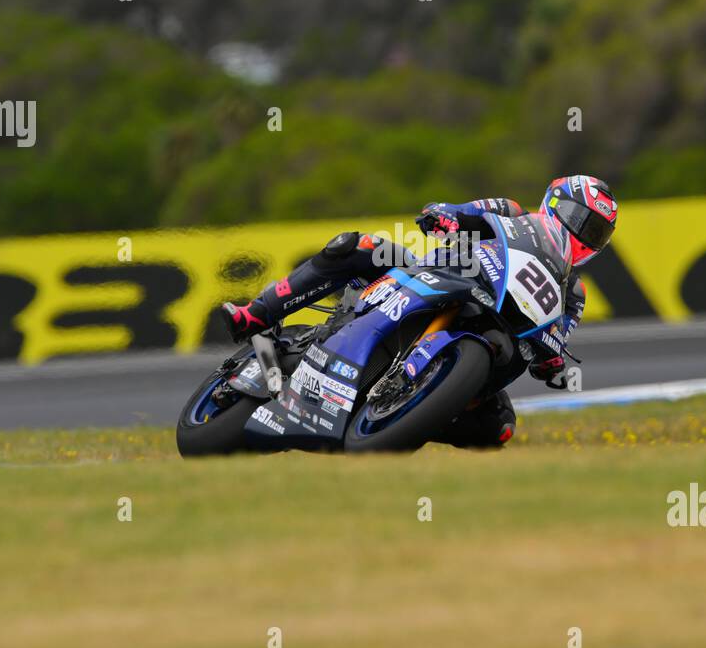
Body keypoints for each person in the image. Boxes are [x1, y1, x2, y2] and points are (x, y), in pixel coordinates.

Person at [218, 175, 619, 446]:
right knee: (355, 246)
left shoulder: (574, 292)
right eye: (580, 220)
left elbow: (557, 338)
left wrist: (553, 365)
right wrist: (444, 216)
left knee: (498, 430)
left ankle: (402, 415)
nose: (583, 233)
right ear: (555, 204)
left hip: (492, 328)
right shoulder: (512, 213)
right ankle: (256, 314)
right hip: (433, 272)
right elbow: (463, 211)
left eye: (595, 230)